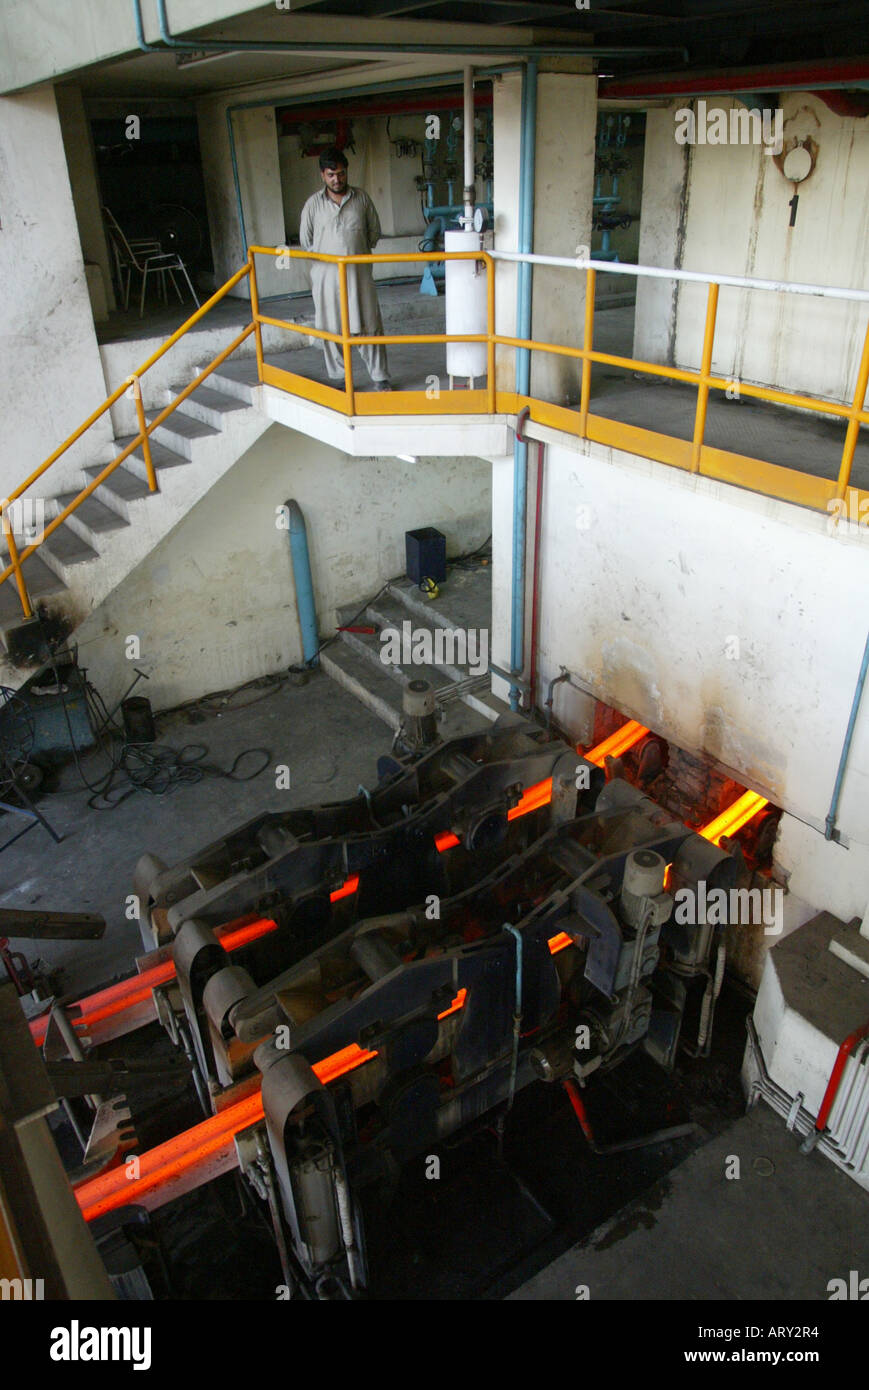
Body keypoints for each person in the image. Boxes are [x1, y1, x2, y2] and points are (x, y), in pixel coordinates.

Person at [299, 147, 391, 390]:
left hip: (359, 278)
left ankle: (380, 377)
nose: (336, 179)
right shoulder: (313, 205)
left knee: (369, 325)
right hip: (326, 279)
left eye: (340, 174)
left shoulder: (361, 199)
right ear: (322, 175)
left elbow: (374, 233)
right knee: (331, 329)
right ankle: (340, 380)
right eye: (331, 175)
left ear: (346, 172)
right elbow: (306, 241)